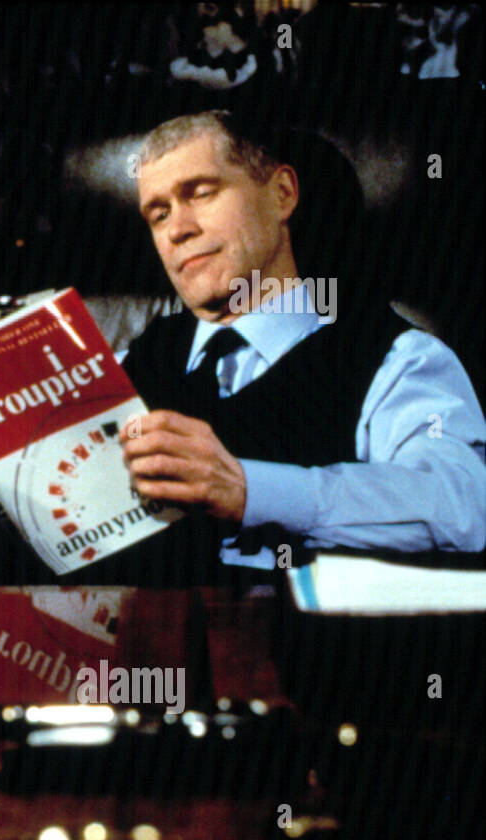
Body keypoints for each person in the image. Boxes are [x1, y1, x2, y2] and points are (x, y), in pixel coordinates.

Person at [111, 110, 485, 584]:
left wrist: (252, 490)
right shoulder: (127, 365)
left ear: (282, 194)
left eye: (201, 193)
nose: (177, 230)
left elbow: (461, 504)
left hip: (310, 649)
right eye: (158, 213)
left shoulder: (397, 360)